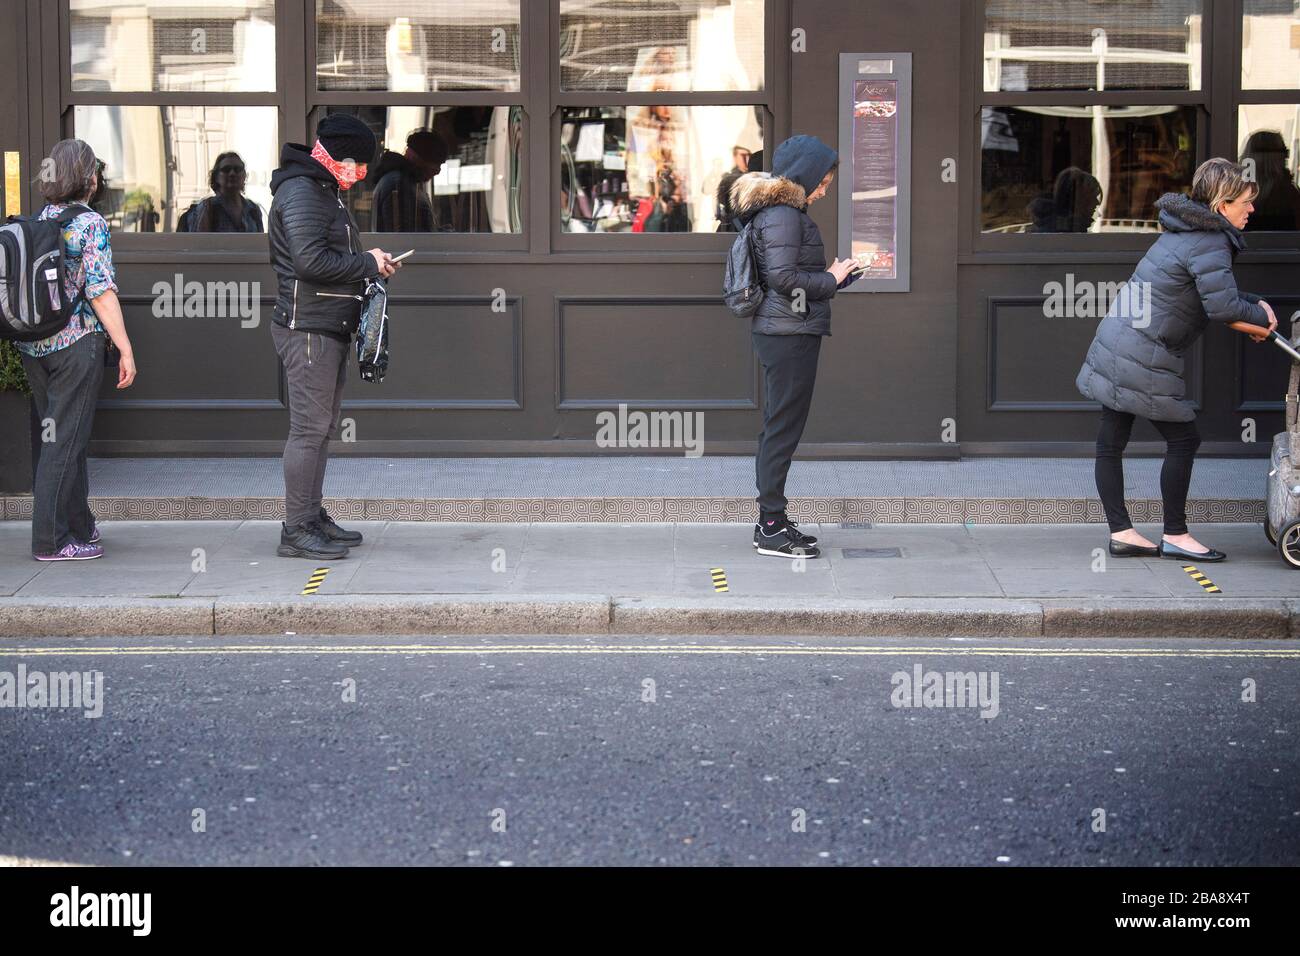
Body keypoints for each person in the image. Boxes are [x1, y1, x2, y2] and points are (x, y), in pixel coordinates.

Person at [1076, 158, 1277, 563]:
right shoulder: (1211, 241)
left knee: (1110, 443)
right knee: (1184, 440)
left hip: (1120, 339)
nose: (1251, 209)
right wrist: (1262, 319)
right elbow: (1220, 305)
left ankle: (1123, 533)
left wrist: (1255, 307)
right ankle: (1176, 534)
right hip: (1142, 352)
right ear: (1222, 205)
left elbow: (1208, 291)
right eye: (1245, 202)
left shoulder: (1183, 230)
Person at [268, 114, 402, 560]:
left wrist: (372, 263)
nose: (361, 174)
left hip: (326, 325)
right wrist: (367, 262)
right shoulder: (304, 191)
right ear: (339, 157)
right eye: (358, 164)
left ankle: (310, 515)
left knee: (321, 429)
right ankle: (297, 528)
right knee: (309, 430)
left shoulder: (322, 189)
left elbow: (331, 257)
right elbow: (310, 262)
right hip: (308, 329)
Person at [728, 134, 860, 558]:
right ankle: (770, 526)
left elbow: (790, 275)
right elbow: (784, 279)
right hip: (788, 333)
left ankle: (773, 520)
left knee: (781, 425)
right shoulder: (784, 215)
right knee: (782, 428)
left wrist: (840, 276)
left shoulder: (783, 213)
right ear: (806, 173)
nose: (825, 189)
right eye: (824, 180)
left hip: (788, 330)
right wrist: (832, 280)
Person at [19, 139, 137, 561]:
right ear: (89, 177)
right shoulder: (90, 224)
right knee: (64, 442)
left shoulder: (42, 217)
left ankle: (79, 525)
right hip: (75, 344)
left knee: (64, 436)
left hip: (35, 347)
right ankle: (50, 540)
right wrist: (125, 348)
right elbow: (100, 291)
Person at [369, 129, 448, 233]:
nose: (438, 171)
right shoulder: (399, 184)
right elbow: (405, 237)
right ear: (416, 157)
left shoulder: (404, 182)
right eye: (435, 162)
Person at [177, 152, 264, 233]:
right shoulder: (206, 207)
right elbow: (197, 243)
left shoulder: (253, 209)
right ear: (216, 176)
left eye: (237, 169)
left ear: (244, 175)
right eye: (226, 169)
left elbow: (261, 243)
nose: (232, 173)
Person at [1240, 130, 1300, 232]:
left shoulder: (1236, 191)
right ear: (1273, 159)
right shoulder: (1287, 193)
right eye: (1284, 152)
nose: (1287, 157)